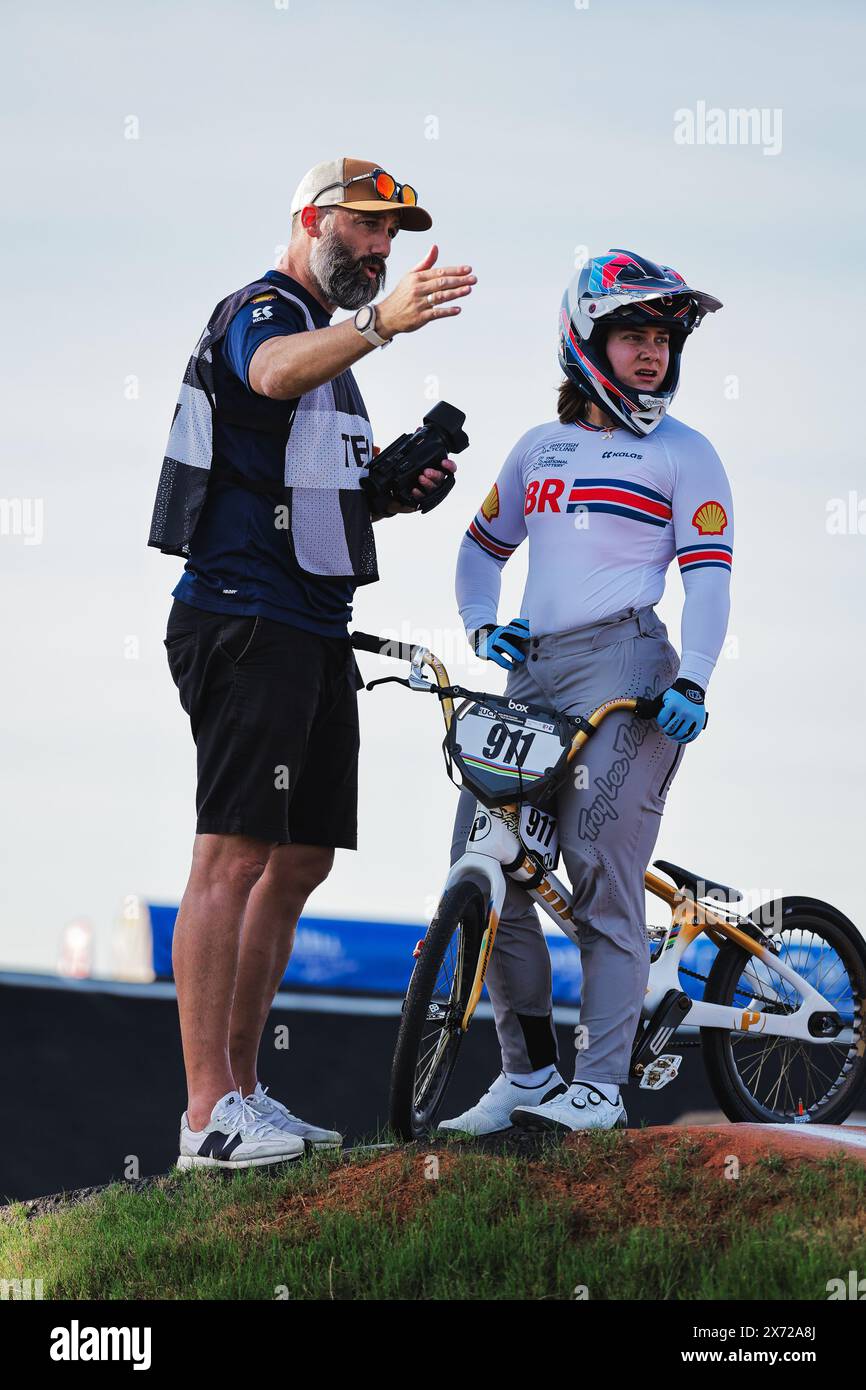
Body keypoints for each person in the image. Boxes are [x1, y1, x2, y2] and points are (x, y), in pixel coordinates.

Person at [149, 158, 476, 1168]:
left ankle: (244, 1093)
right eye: (364, 227)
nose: (379, 249)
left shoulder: (331, 356)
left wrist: (389, 487)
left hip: (312, 625)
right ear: (308, 219)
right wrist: (385, 327)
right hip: (244, 618)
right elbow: (265, 373)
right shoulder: (265, 310)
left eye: (391, 235)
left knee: (296, 862)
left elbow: (306, 483)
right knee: (234, 854)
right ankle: (207, 1115)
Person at [438, 248, 733, 1136]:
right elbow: (480, 546)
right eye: (634, 335)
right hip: (533, 673)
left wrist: (694, 679)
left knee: (598, 864)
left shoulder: (687, 454)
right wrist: (483, 626)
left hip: (630, 666)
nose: (653, 355)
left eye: (663, 340)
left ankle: (599, 1087)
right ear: (585, 341)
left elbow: (710, 579)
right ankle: (527, 1076)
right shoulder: (539, 447)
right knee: (487, 867)